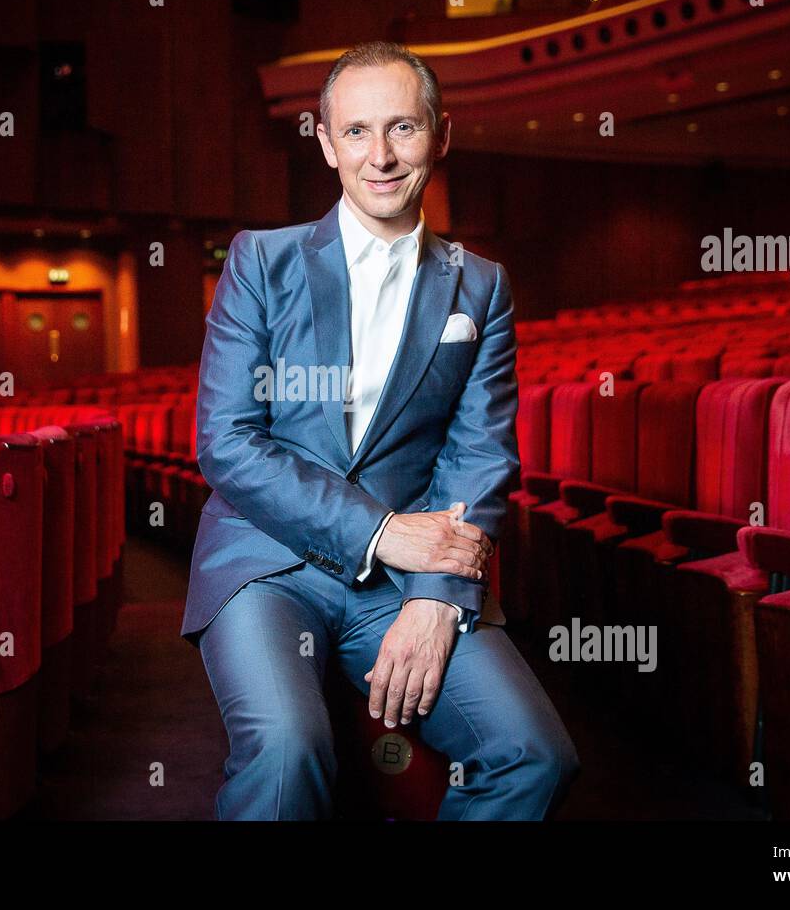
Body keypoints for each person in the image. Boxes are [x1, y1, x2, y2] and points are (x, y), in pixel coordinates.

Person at [182, 41, 578, 820]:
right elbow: (227, 441)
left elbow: (480, 453)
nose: (382, 155)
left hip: (407, 579)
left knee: (535, 756)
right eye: (357, 131)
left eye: (403, 128)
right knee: (291, 749)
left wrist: (435, 597)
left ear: (440, 135)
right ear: (325, 143)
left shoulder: (482, 284)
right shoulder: (261, 262)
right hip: (266, 560)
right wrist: (382, 532)